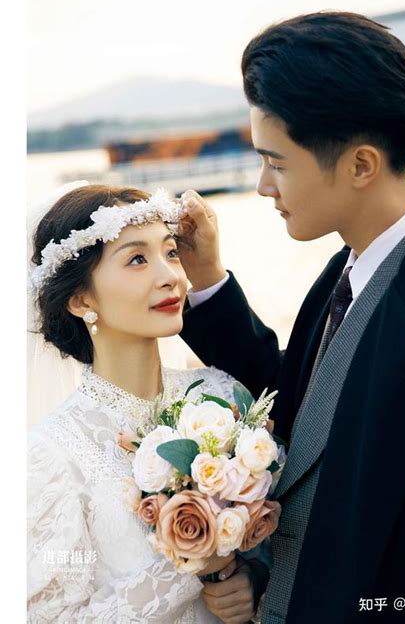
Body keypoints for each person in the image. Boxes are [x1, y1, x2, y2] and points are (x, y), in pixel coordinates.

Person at [178, 11, 405, 624]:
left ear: (360, 165)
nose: (262, 186)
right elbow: (310, 417)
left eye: (276, 162)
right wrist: (208, 282)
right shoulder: (345, 270)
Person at [27, 184, 261, 623]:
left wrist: (254, 581)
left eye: (171, 252)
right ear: (80, 300)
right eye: (137, 259)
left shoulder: (224, 397)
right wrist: (188, 566)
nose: (171, 276)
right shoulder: (52, 454)